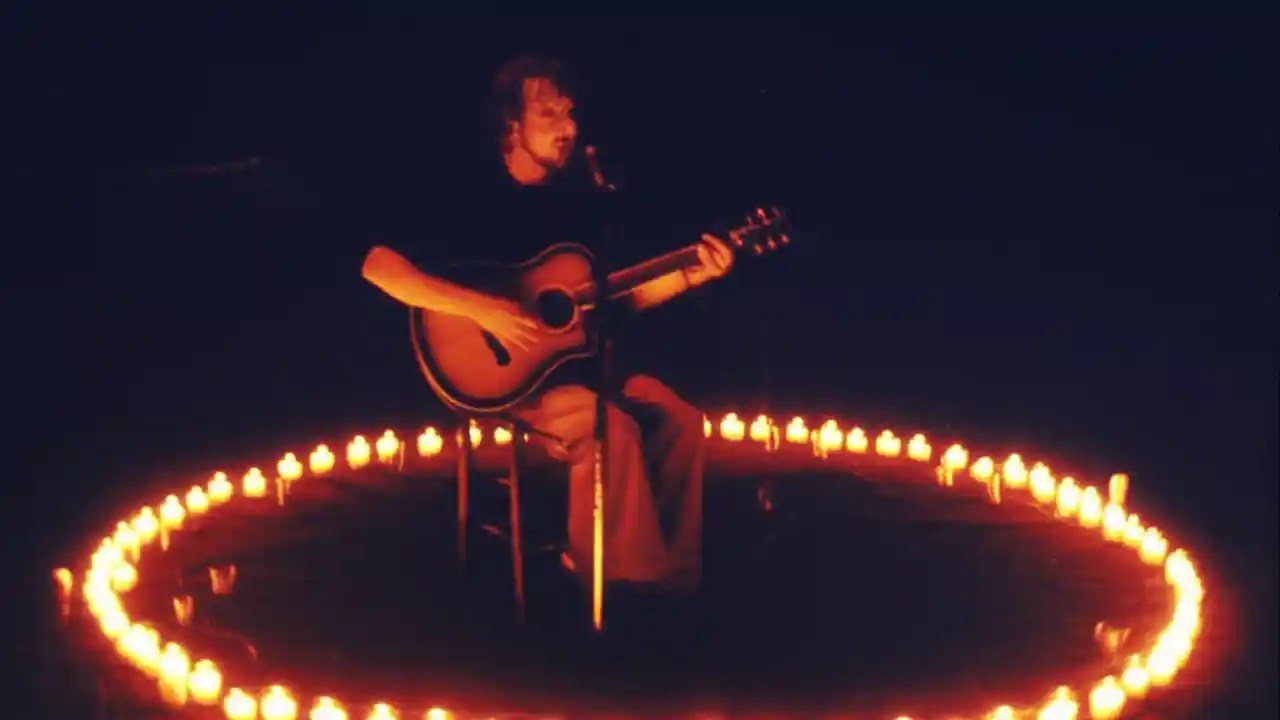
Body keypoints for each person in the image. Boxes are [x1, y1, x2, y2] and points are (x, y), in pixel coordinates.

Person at [360, 55, 734, 594]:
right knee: (613, 430)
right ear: (512, 125)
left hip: (578, 371)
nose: (569, 127)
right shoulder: (463, 191)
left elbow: (608, 307)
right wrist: (483, 309)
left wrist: (690, 277)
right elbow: (379, 268)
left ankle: (671, 576)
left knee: (679, 418)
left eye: (571, 112)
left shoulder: (580, 199)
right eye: (550, 113)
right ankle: (615, 581)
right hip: (504, 383)